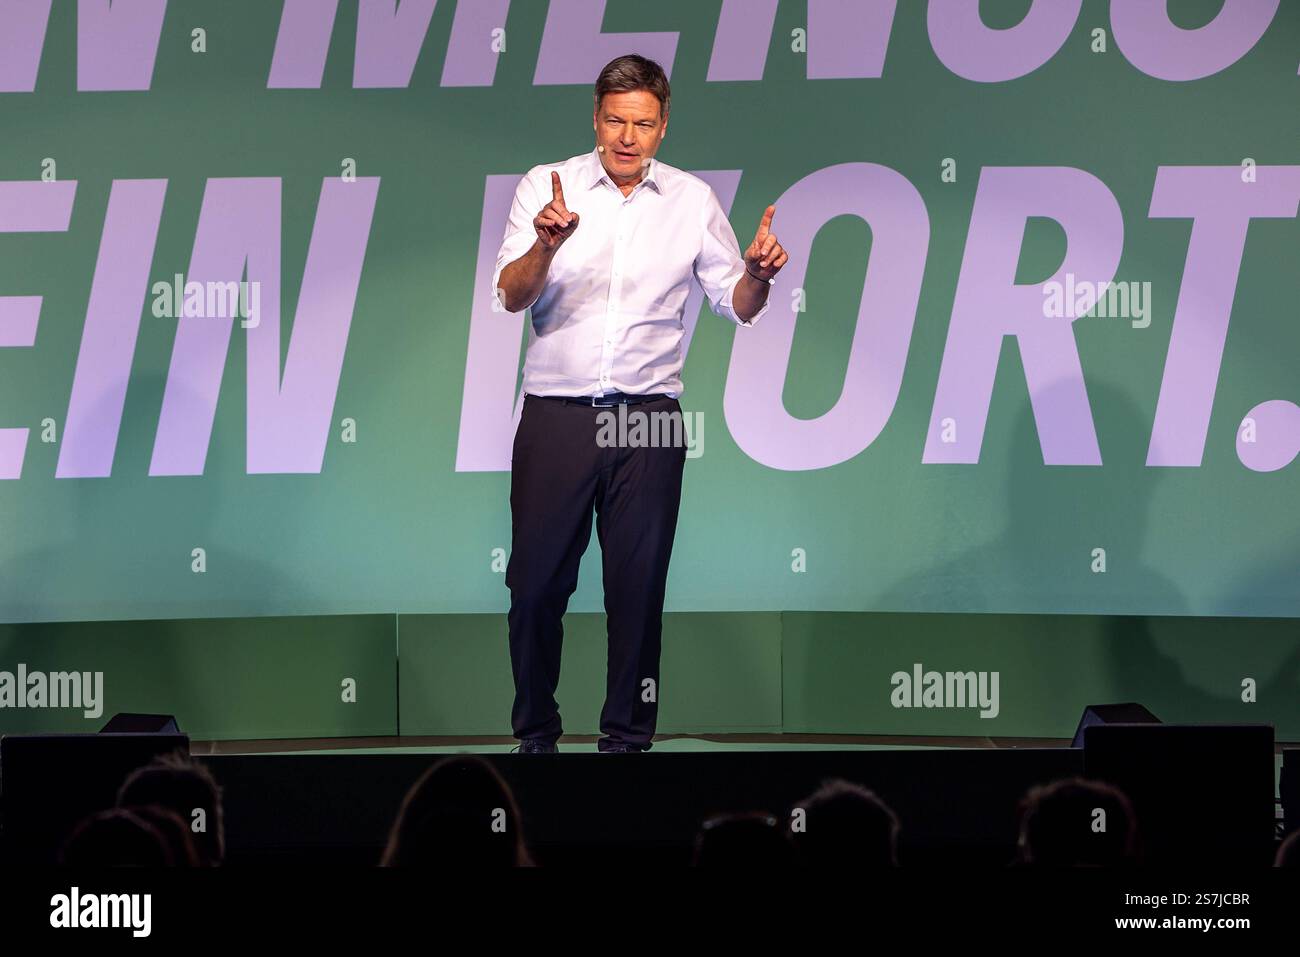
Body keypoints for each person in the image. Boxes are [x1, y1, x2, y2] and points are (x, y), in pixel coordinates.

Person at [491, 54, 787, 753]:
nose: (628, 136)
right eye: (616, 120)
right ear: (595, 117)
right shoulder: (547, 186)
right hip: (557, 414)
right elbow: (511, 293)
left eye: (644, 124)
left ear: (663, 125)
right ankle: (535, 737)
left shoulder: (690, 201)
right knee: (534, 589)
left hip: (647, 419)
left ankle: (627, 743)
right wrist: (544, 244)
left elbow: (737, 306)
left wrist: (757, 275)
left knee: (637, 594)